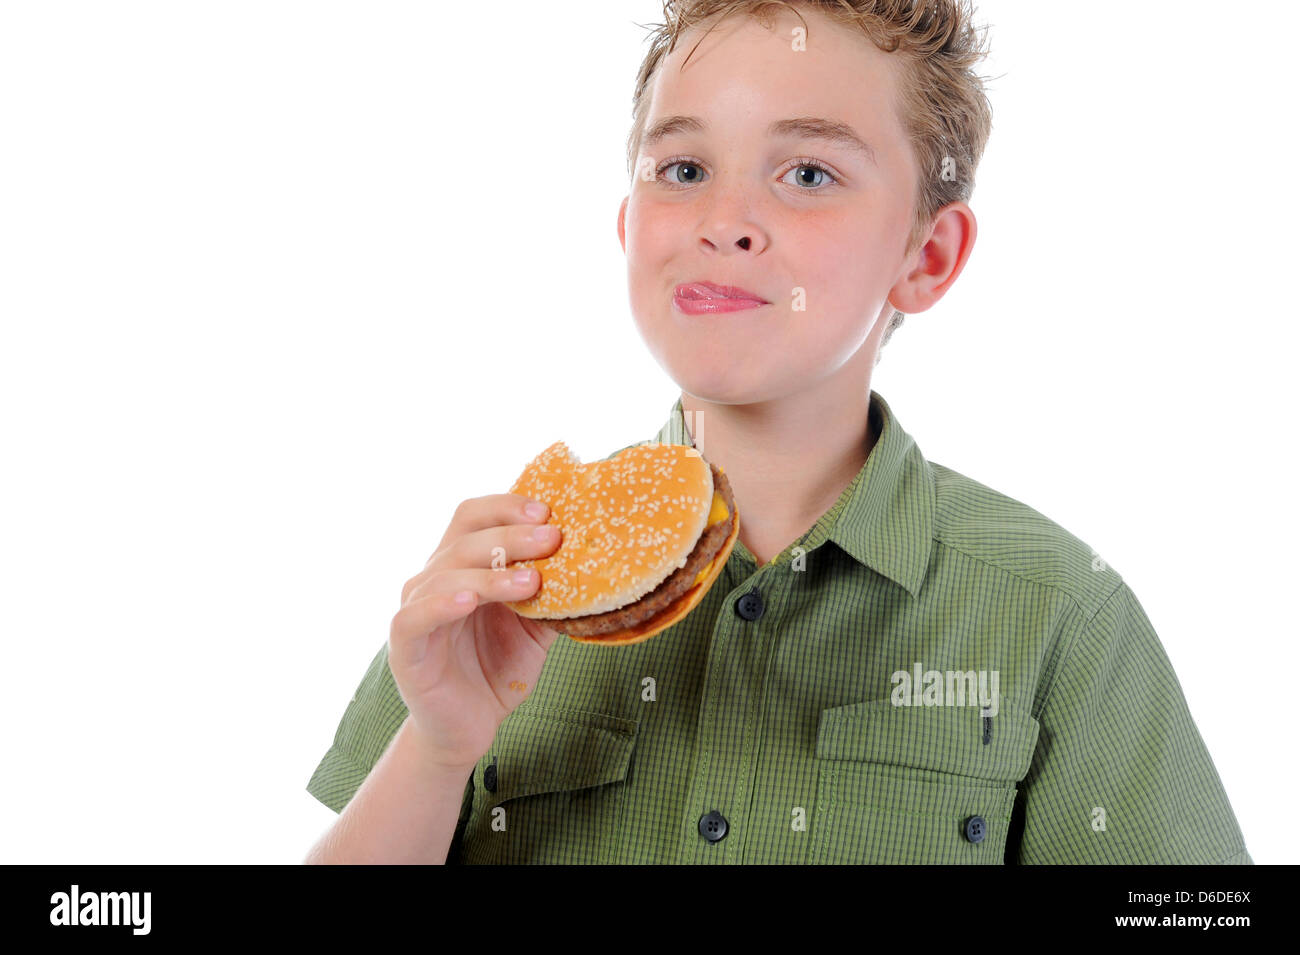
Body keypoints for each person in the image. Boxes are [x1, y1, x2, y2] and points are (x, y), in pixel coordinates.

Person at [303, 0, 1251, 864]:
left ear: (926, 256)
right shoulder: (508, 578)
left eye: (807, 173)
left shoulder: (1056, 614)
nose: (725, 222)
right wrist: (439, 747)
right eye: (684, 169)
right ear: (630, 224)